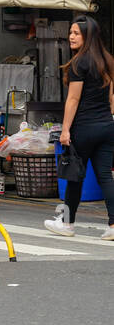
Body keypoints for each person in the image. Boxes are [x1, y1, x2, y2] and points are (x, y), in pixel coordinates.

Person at [45, 16, 114, 239]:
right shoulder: (108, 60)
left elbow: (73, 100)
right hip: (106, 126)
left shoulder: (79, 63)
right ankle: (113, 226)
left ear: (88, 36)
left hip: (83, 128)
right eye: (71, 33)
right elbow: (112, 98)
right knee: (105, 176)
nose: (71, 37)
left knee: (75, 176)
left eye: (76, 33)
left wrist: (65, 130)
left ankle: (67, 224)